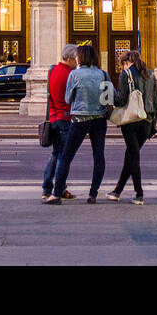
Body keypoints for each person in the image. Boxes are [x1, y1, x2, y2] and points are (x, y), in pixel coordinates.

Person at [46, 45, 111, 204]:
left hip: (80, 119)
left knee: (66, 156)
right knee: (98, 156)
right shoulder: (103, 74)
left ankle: (56, 194)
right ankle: (93, 194)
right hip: (99, 119)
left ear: (80, 57)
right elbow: (109, 98)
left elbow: (68, 98)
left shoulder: (75, 74)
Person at [108, 50, 157, 205]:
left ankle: (139, 194)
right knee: (130, 156)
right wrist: (153, 127)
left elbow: (122, 100)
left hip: (131, 120)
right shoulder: (150, 74)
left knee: (133, 157)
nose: (122, 68)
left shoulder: (126, 75)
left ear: (126, 62)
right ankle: (117, 191)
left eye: (122, 64)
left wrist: (111, 95)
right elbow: (156, 102)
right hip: (147, 120)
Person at [41, 44, 79, 202]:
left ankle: (48, 188)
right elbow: (72, 97)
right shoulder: (70, 74)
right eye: (76, 58)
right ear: (69, 58)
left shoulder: (54, 70)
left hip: (54, 117)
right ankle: (58, 189)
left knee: (56, 154)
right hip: (65, 118)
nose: (78, 61)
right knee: (63, 157)